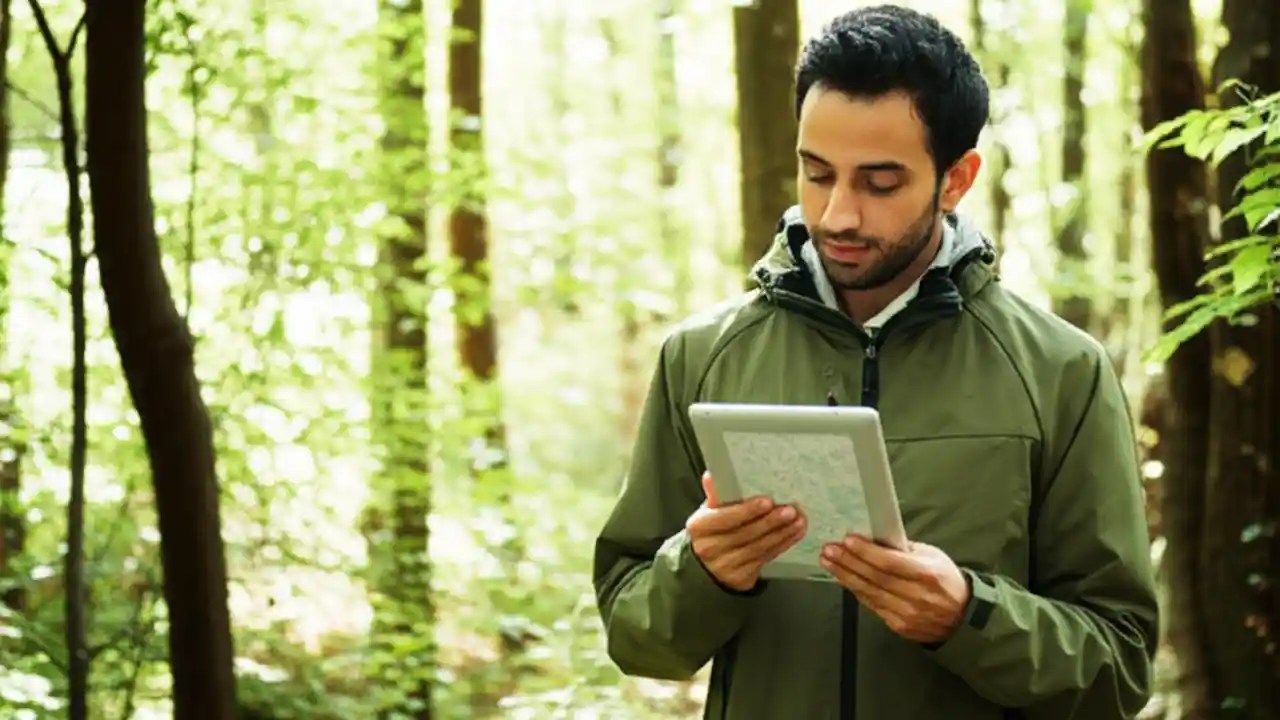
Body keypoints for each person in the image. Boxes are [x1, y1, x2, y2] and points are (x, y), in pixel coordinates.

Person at [592, 5, 1158, 719]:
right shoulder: (702, 357)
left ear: (956, 179)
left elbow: (1120, 666)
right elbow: (636, 637)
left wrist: (969, 617)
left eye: (879, 182)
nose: (837, 215)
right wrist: (701, 574)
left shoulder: (1061, 373)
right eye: (817, 173)